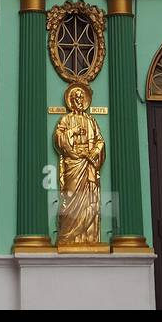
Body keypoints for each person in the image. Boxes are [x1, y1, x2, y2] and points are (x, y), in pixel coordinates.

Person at [53, 83, 105, 246]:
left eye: (82, 98)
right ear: (71, 101)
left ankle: (88, 237)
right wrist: (72, 132)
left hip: (88, 163)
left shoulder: (91, 120)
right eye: (76, 98)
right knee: (70, 197)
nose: (79, 101)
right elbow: (58, 138)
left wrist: (93, 154)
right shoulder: (66, 119)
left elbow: (100, 141)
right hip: (73, 164)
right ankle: (68, 236)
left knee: (89, 198)